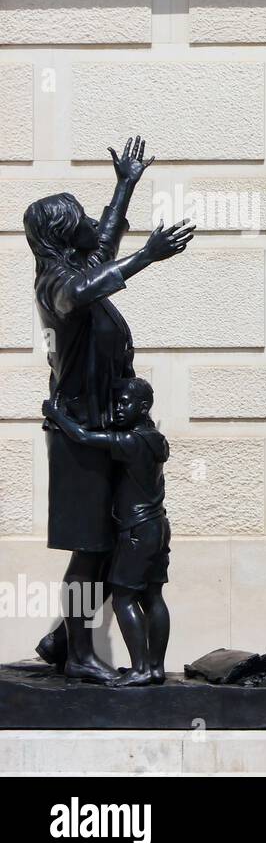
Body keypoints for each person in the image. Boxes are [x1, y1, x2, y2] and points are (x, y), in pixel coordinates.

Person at [25, 137, 192, 682]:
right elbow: (89, 279)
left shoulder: (70, 267)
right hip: (80, 433)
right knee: (90, 549)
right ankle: (77, 653)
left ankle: (61, 637)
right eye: (77, 221)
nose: (88, 229)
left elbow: (100, 249)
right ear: (59, 233)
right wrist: (146, 254)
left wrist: (125, 184)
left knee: (105, 542)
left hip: (101, 425)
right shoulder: (56, 284)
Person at [44, 378, 171, 687]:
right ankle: (155, 667)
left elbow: (84, 437)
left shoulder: (130, 442)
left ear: (142, 408)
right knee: (153, 595)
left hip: (136, 530)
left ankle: (140, 668)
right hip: (158, 526)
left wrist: (57, 415)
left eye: (124, 403)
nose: (118, 408)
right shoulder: (157, 439)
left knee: (124, 599)